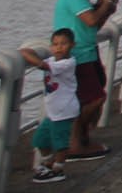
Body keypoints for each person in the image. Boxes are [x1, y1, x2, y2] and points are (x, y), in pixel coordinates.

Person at [52, 0, 119, 162]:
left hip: (87, 51)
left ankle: (81, 140)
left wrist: (107, 4)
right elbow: (91, 20)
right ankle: (75, 145)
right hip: (78, 54)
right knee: (93, 98)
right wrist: (106, 2)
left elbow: (94, 26)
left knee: (92, 97)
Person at [18, 28, 82, 182]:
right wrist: (27, 52)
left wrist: (24, 53)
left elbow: (42, 66)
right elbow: (43, 62)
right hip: (53, 111)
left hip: (65, 109)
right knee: (40, 140)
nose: (59, 47)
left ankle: (58, 169)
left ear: (72, 45)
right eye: (55, 44)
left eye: (63, 44)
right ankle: (48, 162)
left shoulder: (68, 63)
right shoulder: (52, 60)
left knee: (60, 142)